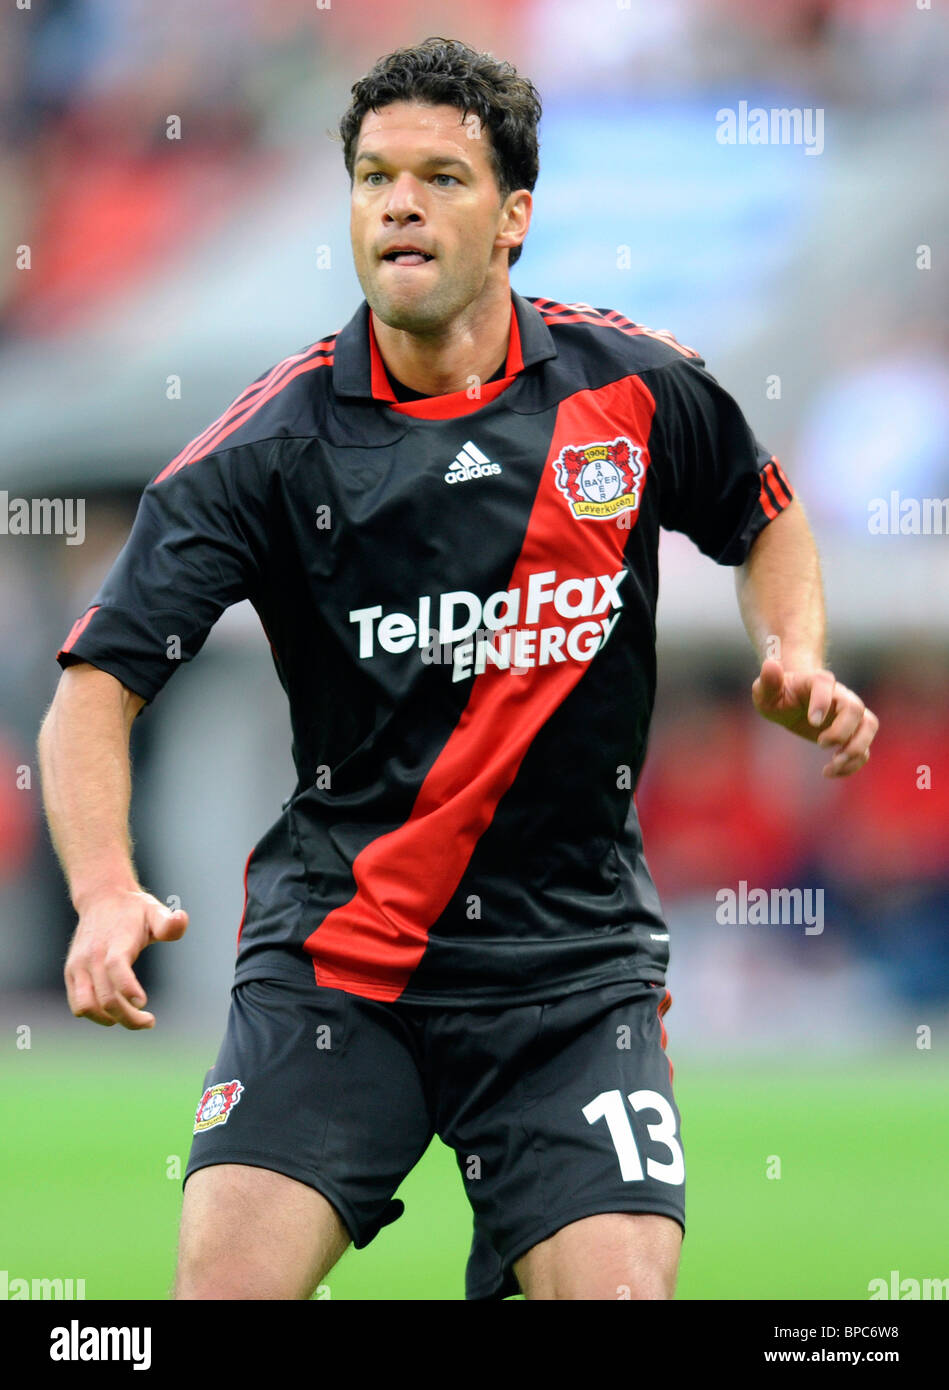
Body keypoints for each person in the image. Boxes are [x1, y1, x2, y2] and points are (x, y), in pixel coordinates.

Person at [37, 37, 879, 1301]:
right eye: (375, 177)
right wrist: (105, 890)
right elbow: (95, 685)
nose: (400, 205)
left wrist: (793, 652)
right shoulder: (267, 448)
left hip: (569, 969)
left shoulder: (634, 388)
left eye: (439, 177)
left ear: (513, 217)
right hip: (338, 962)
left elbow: (762, 516)